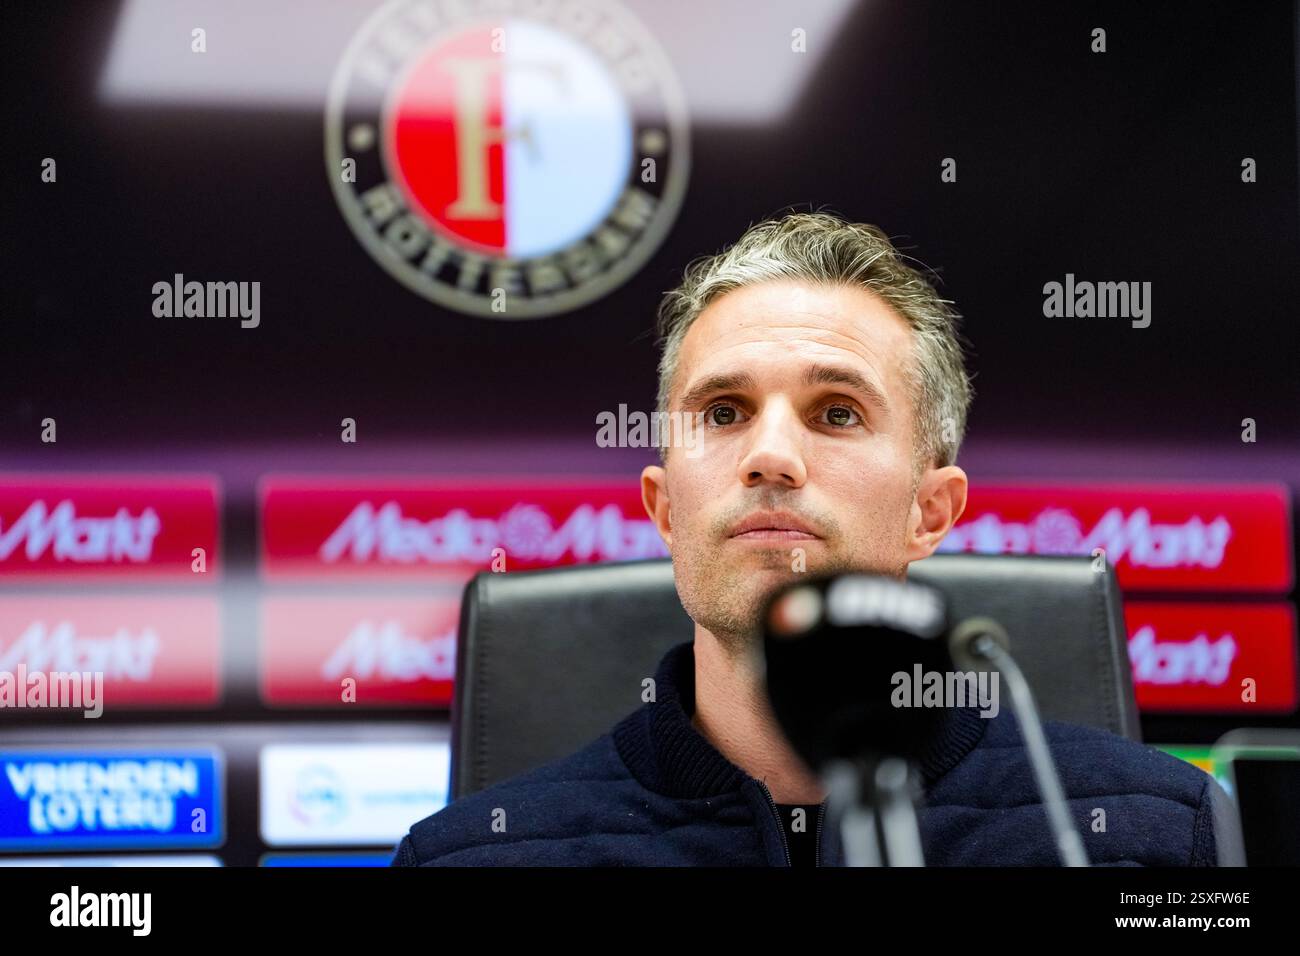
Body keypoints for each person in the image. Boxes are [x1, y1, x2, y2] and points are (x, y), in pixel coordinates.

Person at [391, 212, 1239, 866]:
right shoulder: (471, 857)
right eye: (723, 412)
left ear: (931, 511)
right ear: (665, 509)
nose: (769, 456)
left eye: (837, 412)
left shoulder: (1159, 836)